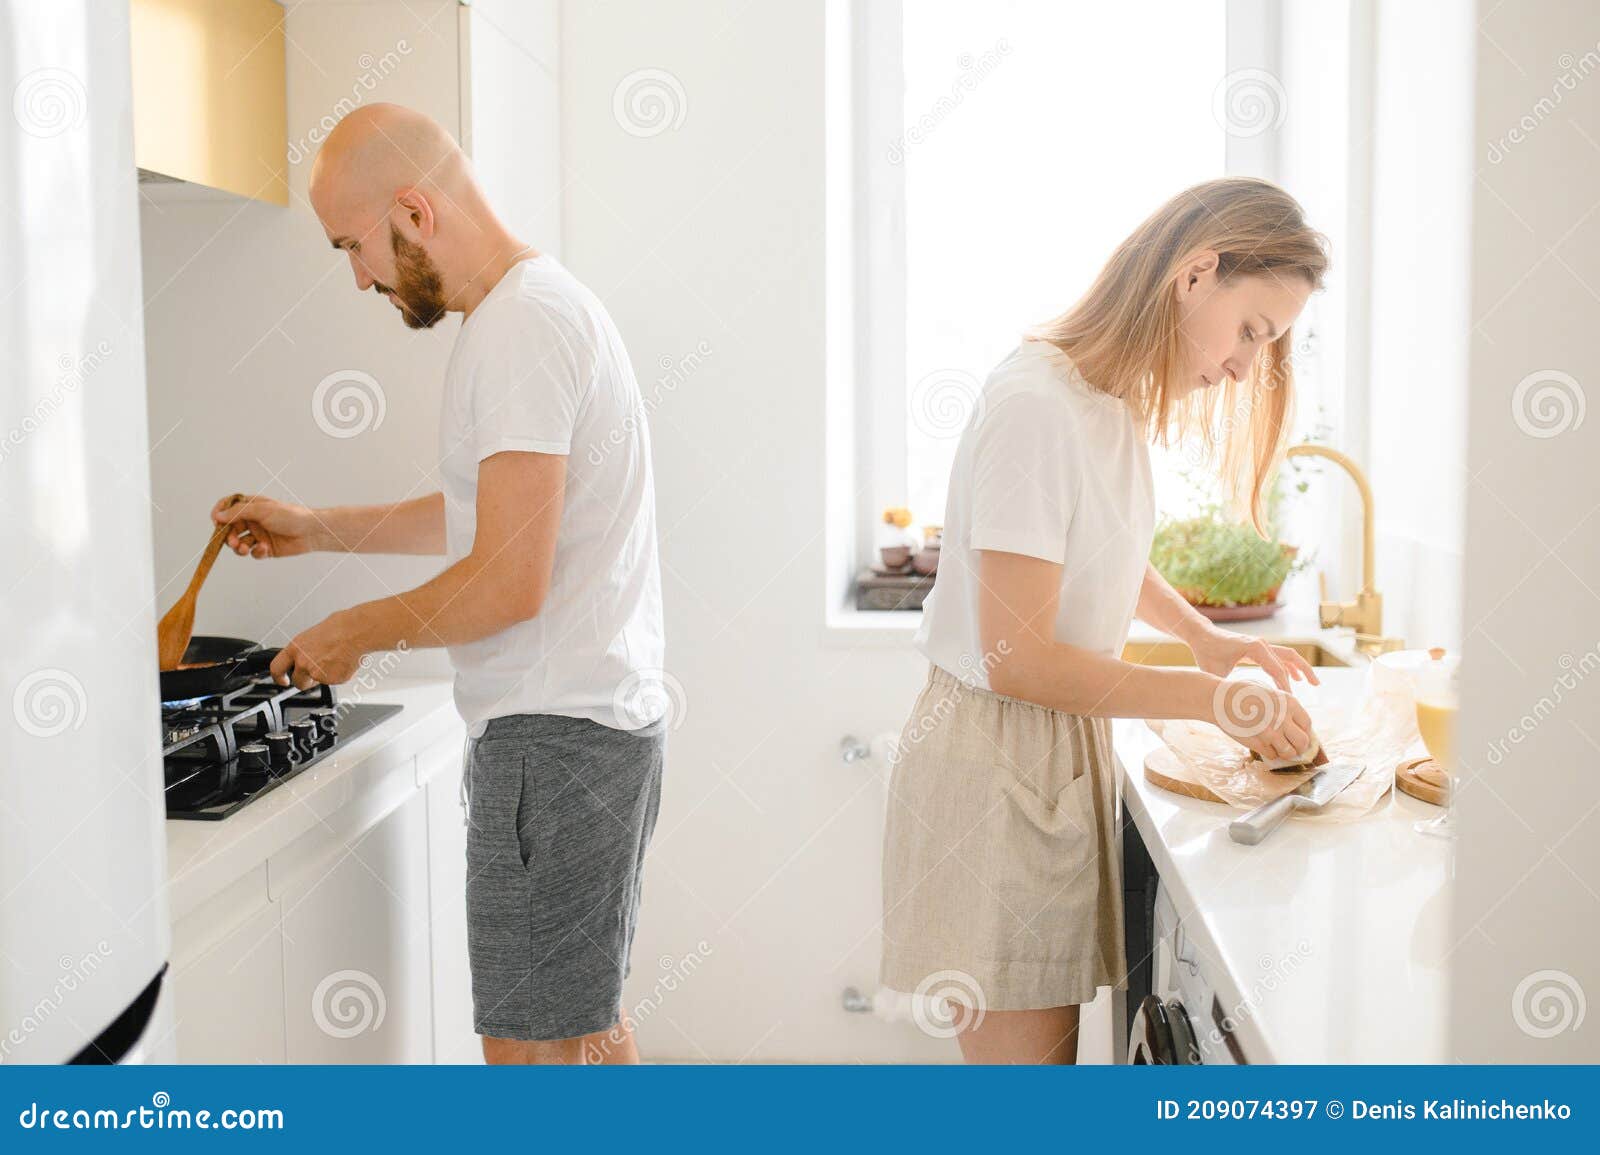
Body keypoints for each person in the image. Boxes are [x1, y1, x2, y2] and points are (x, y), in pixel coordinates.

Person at [212, 103, 665, 1065]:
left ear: (415, 212)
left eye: (355, 246)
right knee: (582, 1032)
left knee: (533, 1054)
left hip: (557, 740)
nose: (359, 276)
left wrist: (356, 629)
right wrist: (316, 530)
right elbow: (484, 515)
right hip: (582, 732)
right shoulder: (533, 309)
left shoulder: (520, 327)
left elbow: (508, 581)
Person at [879, 177, 1328, 1064]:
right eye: (1252, 331)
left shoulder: (1103, 397)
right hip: (995, 763)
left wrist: (1205, 637)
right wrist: (1210, 697)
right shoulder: (1035, 406)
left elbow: (1100, 548)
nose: (1246, 365)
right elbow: (1018, 660)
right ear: (1197, 274)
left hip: (1050, 752)